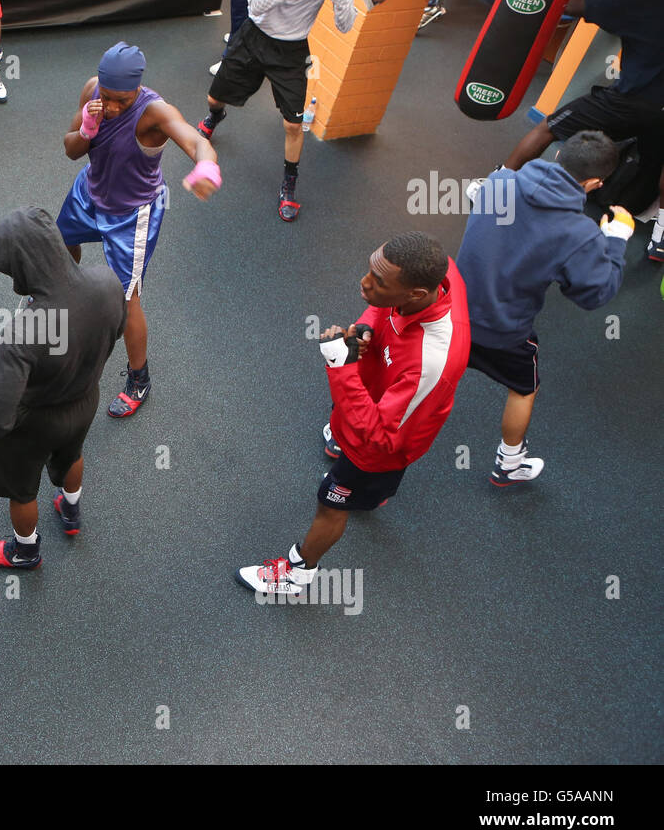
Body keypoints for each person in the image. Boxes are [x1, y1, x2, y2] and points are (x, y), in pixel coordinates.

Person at [237, 232, 470, 596]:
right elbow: (381, 310)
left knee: (331, 499)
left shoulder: (432, 359)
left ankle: (298, 575)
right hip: (391, 405)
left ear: (416, 296)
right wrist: (366, 329)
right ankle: (372, 494)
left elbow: (378, 436)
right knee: (359, 454)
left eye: (378, 282)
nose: (364, 283)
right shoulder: (438, 272)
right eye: (369, 271)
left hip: (378, 448)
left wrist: (340, 365)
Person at [457, 132, 631, 486]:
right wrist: (615, 240)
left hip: (450, 311)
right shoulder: (579, 233)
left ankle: (350, 433)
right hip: (503, 332)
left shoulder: (500, 181)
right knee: (524, 387)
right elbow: (593, 295)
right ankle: (509, 463)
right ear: (595, 183)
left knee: (417, 371)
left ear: (557, 158)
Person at [59, 42, 221, 419]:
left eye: (121, 100)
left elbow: (197, 140)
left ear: (137, 88)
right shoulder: (91, 92)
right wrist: (87, 127)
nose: (112, 106)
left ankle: (139, 377)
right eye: (107, 96)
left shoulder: (154, 113)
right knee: (61, 242)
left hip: (131, 216)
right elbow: (70, 151)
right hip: (90, 191)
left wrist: (206, 168)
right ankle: (68, 293)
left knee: (125, 300)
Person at [0, 207, 126, 569]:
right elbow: (116, 331)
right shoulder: (107, 282)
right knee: (72, 454)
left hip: (34, 424)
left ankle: (25, 551)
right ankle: (70, 509)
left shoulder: (22, 334)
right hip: (85, 402)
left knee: (21, 489)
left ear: (20, 270)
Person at [495, 0, 664, 261]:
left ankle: (496, 187)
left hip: (631, 101)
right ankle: (661, 237)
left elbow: (573, 5)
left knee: (548, 127)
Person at [200, 0, 371, 222]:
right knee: (215, 97)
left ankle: (289, 183)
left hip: (292, 49)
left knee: (293, 125)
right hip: (255, 37)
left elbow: (345, 26)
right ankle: (215, 115)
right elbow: (255, 5)